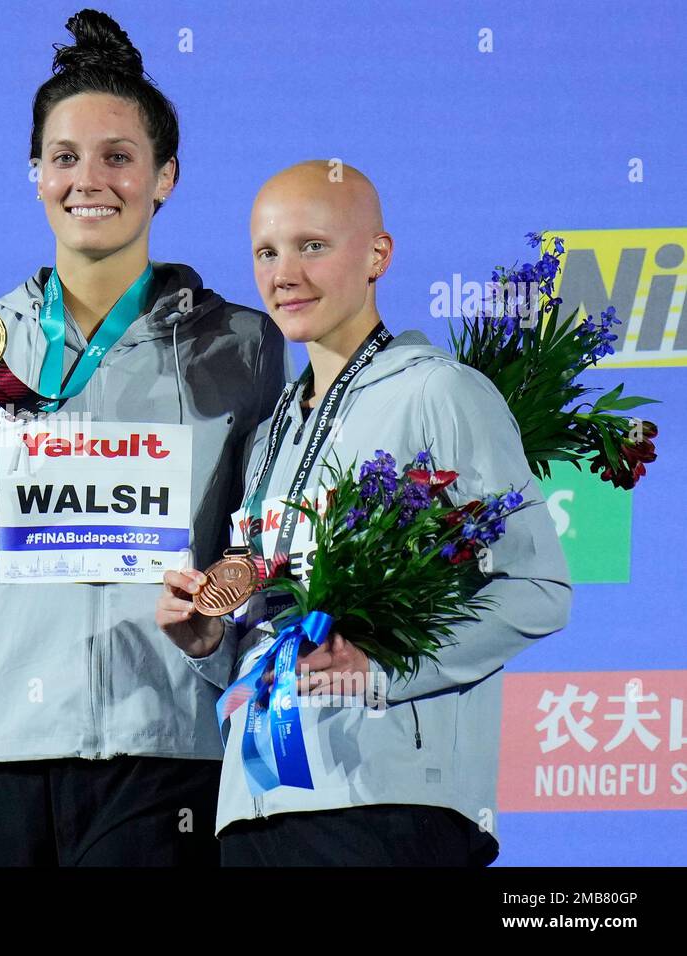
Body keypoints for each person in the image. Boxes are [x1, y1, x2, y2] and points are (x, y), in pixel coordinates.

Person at [0, 10, 288, 866]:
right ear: (34, 174)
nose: (88, 179)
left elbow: (270, 551)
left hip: (166, 751)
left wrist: (222, 624)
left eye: (118, 156)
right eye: (63, 157)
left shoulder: (245, 346)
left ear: (165, 176)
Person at [157, 160, 572, 866]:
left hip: (387, 804)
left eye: (312, 245)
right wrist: (210, 644)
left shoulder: (440, 393)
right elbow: (274, 627)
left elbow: (537, 591)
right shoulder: (269, 436)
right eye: (267, 251)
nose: (284, 273)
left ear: (377, 255)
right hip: (258, 805)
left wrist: (383, 666)